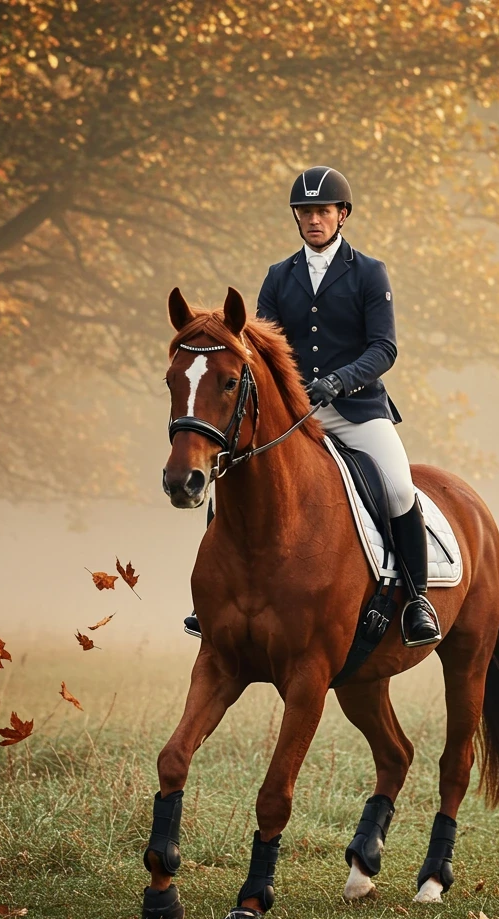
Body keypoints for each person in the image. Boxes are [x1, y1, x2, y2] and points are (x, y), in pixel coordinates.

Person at [183, 165, 442, 648]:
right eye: (305, 212)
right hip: (297, 413)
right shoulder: (279, 277)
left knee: (398, 487)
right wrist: (295, 392)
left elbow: (384, 348)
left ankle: (418, 599)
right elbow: (258, 347)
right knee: (232, 480)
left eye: (322, 211)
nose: (313, 220)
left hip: (359, 409)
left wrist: (340, 382)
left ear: (342, 215)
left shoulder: (369, 272)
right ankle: (214, 598)